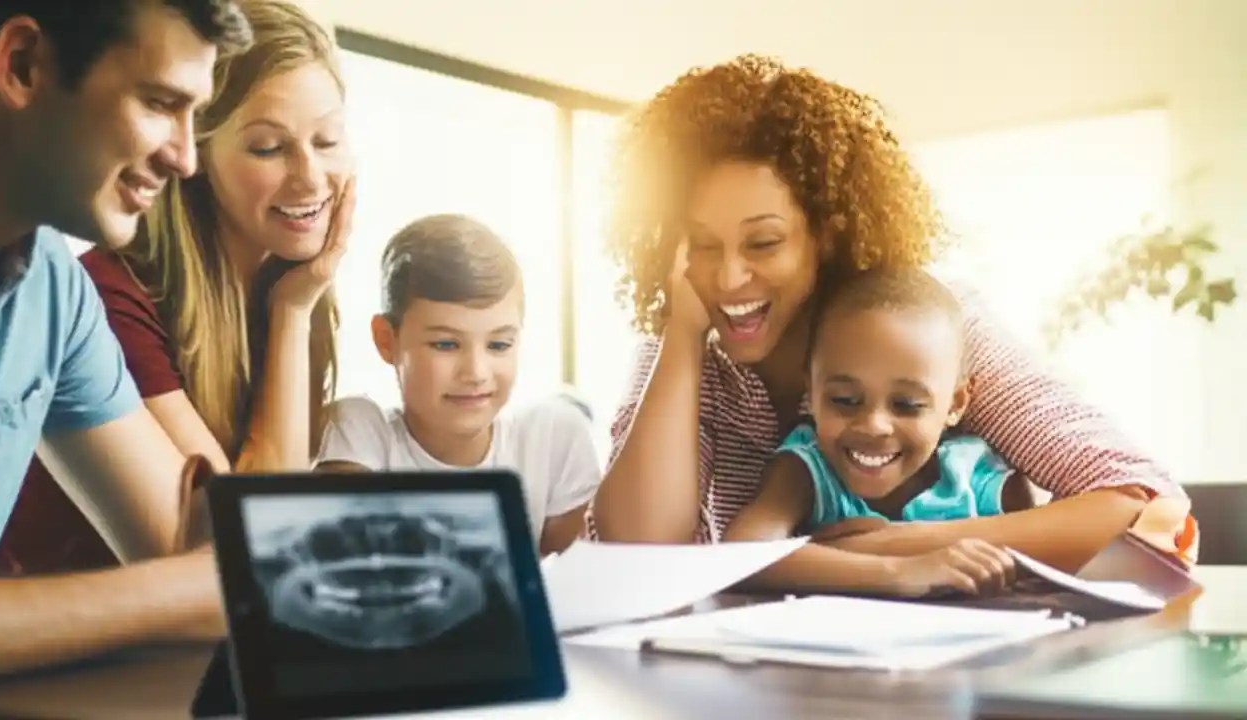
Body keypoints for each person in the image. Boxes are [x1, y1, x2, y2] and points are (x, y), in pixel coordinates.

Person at [591, 54, 1192, 573]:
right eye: (702, 244)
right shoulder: (685, 350)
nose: (727, 278)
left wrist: (905, 545)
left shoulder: (934, 331)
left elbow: (1145, 506)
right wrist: (681, 337)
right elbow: (636, 553)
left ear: (825, 235)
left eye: (763, 243)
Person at [0, 0, 353, 577]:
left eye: (329, 140)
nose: (181, 157)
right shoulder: (109, 299)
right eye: (267, 147)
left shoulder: (54, 293)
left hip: (159, 651)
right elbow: (245, 553)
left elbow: (235, 559)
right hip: (83, 657)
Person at [0, 0, 251, 678]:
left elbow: (179, 543)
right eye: (160, 103)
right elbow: (197, 581)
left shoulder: (54, 292)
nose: (186, 158)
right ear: (23, 65)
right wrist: (184, 592)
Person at [725, 268, 1036, 596]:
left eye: (907, 404)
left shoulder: (980, 479)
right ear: (812, 392)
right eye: (844, 400)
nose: (874, 425)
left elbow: (1043, 570)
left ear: (955, 403)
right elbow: (742, 554)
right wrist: (901, 571)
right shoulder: (808, 468)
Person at [314, 215, 602, 555]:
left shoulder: (554, 436)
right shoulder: (359, 431)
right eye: (446, 345)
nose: (476, 372)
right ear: (386, 340)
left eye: (499, 345)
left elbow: (572, 589)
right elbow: (346, 562)